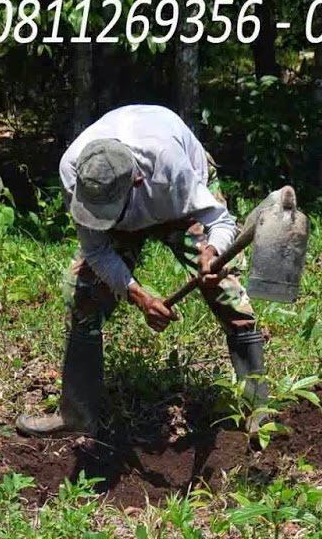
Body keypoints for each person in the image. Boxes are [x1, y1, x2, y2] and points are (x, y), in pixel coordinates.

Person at [16, 104, 268, 438]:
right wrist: (140, 297)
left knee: (228, 294)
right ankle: (76, 414)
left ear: (136, 182)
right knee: (83, 297)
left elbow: (219, 220)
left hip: (176, 200)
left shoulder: (171, 171)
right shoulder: (75, 172)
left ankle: (258, 412)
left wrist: (212, 251)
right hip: (134, 197)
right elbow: (96, 250)